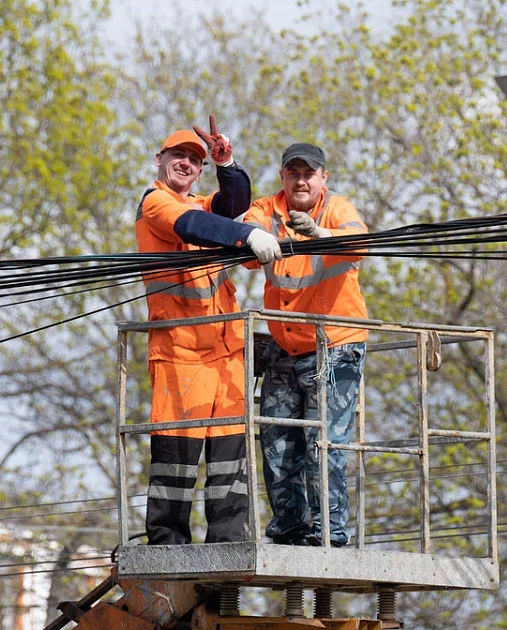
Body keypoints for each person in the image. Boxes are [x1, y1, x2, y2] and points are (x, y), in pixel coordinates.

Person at [135, 116, 283, 545]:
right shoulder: (156, 204)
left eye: (194, 159)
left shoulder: (201, 204)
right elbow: (193, 226)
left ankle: (228, 541)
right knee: (176, 455)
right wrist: (248, 235)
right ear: (159, 159)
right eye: (178, 155)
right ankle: (167, 543)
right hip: (180, 351)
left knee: (230, 454)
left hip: (225, 351)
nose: (186, 163)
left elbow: (231, 203)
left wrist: (227, 165)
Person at [242, 142, 368, 547]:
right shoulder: (267, 210)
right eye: (293, 173)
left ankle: (328, 533)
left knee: (322, 446)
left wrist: (320, 235)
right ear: (282, 176)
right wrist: (253, 237)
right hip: (285, 345)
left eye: (308, 174)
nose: (300, 181)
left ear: (322, 178)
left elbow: (359, 242)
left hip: (335, 347)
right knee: (276, 443)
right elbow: (243, 241)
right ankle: (289, 529)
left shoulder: (337, 209)